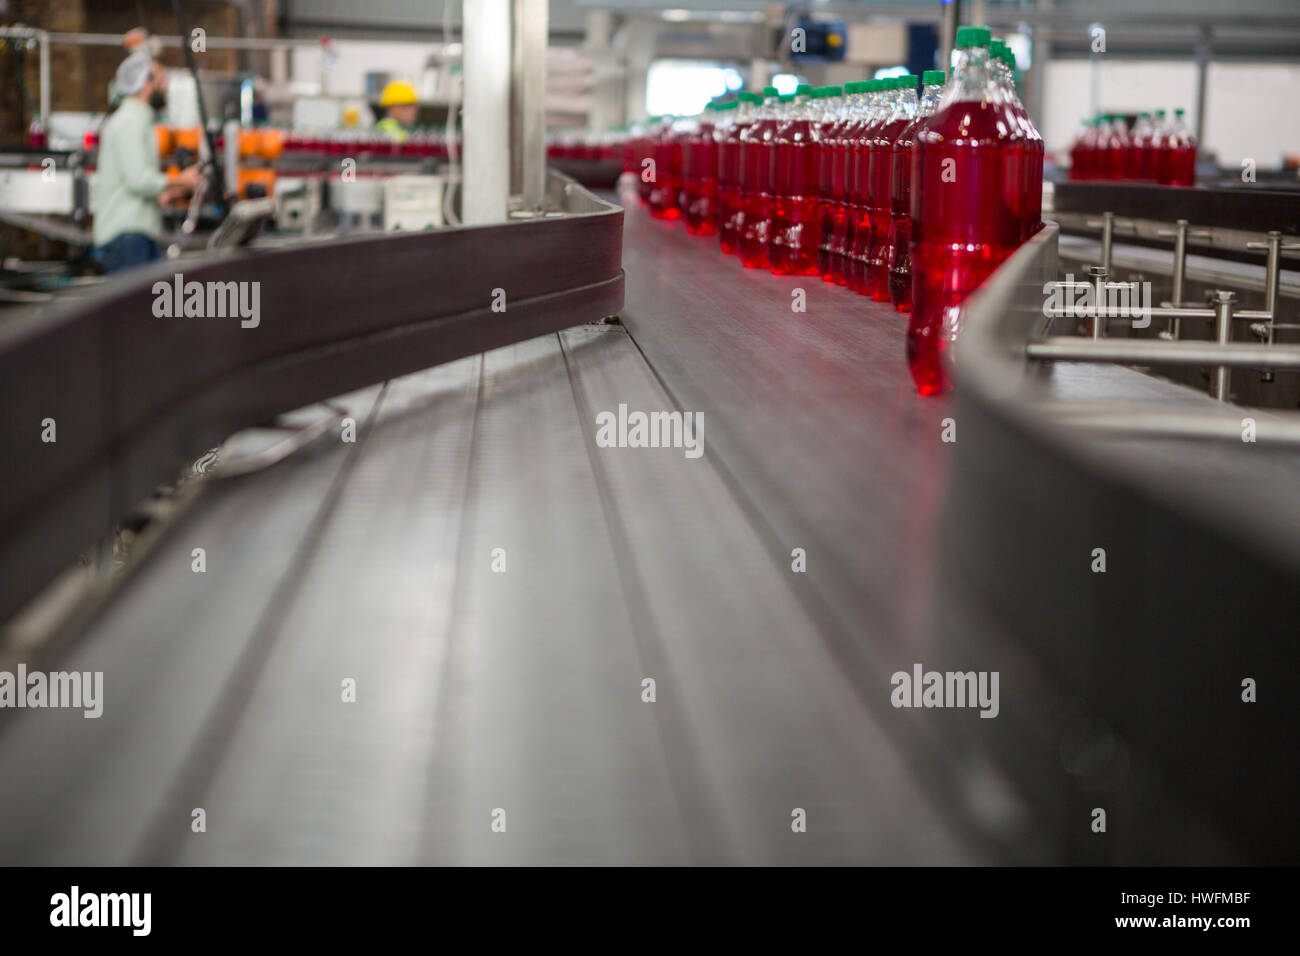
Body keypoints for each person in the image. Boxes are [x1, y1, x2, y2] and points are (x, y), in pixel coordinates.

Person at [92, 52, 201, 274]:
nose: (166, 86)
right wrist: (183, 179)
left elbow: (135, 183)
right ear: (146, 84)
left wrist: (170, 192)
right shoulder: (130, 122)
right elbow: (139, 180)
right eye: (161, 79)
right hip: (128, 238)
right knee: (135, 308)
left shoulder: (137, 120)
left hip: (135, 235)